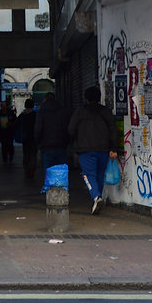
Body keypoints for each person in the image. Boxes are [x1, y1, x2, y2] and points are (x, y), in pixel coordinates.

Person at [68, 85, 120, 215]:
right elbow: (113, 130)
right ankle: (97, 198)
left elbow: (71, 129)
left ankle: (96, 197)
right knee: (99, 175)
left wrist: (74, 142)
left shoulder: (80, 112)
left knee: (88, 174)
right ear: (99, 97)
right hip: (103, 149)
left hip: (85, 149)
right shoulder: (106, 112)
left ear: (86, 98)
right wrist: (113, 148)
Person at [34, 93, 72, 172]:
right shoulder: (63, 110)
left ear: (45, 99)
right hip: (61, 145)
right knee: (61, 172)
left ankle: (52, 184)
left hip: (47, 146)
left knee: (49, 172)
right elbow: (68, 127)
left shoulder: (42, 111)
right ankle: (60, 184)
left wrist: (38, 142)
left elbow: (38, 129)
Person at [17, 98, 38, 179]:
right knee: (33, 154)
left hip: (25, 138)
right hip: (33, 138)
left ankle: (26, 169)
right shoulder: (35, 115)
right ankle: (32, 169)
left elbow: (16, 125)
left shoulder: (22, 115)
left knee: (26, 154)